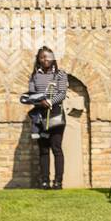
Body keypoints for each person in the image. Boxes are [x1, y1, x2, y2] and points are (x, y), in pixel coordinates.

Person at [25, 46, 68, 190]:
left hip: (55, 114)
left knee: (56, 148)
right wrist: (39, 102)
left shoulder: (61, 74)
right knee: (43, 149)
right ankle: (45, 180)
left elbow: (62, 93)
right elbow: (31, 95)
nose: (45, 59)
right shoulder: (34, 76)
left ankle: (58, 181)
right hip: (40, 115)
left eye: (48, 56)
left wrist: (49, 101)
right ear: (38, 59)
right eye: (42, 57)